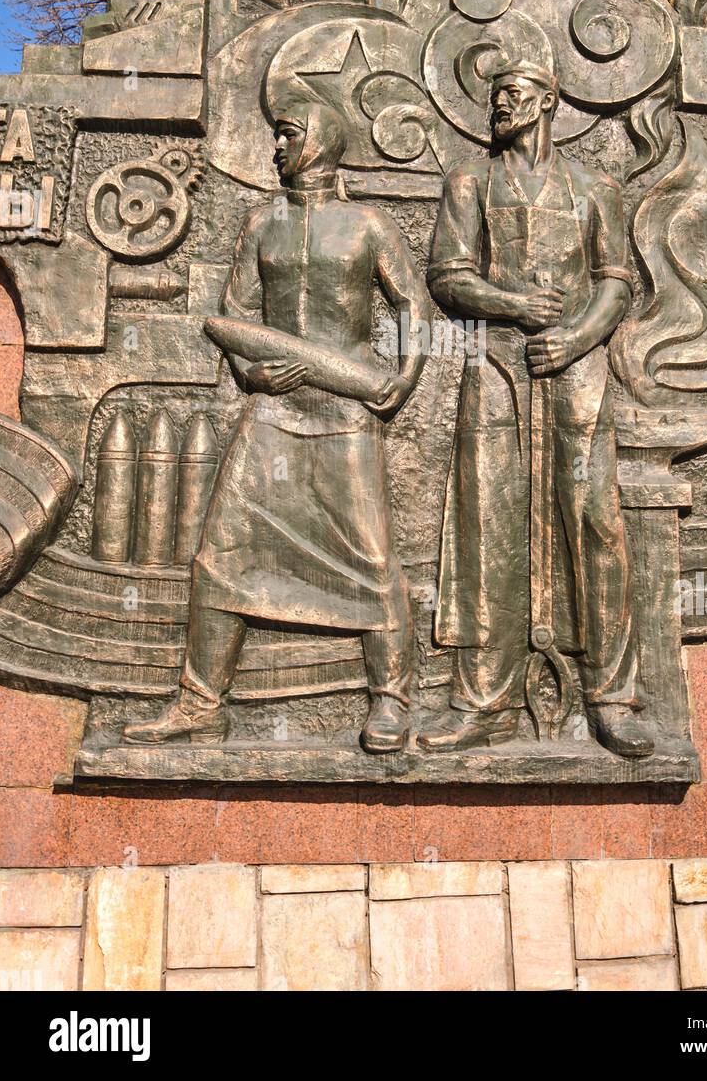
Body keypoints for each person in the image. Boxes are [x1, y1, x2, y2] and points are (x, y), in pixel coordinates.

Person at [124, 89, 430, 753]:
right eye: (277, 136)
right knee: (224, 550)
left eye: (289, 134)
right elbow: (236, 319)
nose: (278, 146)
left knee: (370, 555)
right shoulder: (261, 225)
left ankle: (391, 701)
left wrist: (400, 381)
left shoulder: (369, 225)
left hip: (345, 412)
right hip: (270, 412)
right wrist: (258, 375)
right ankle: (201, 702)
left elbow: (416, 307)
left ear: (321, 137)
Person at [418, 59, 655, 756]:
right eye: (495, 97)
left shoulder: (594, 188)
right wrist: (514, 306)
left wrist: (577, 336)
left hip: (578, 374)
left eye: (514, 94)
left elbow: (616, 281)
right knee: (488, 522)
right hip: (495, 369)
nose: (502, 105)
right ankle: (483, 700)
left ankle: (612, 696)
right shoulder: (469, 181)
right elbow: (446, 276)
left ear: (548, 99)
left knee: (595, 521)